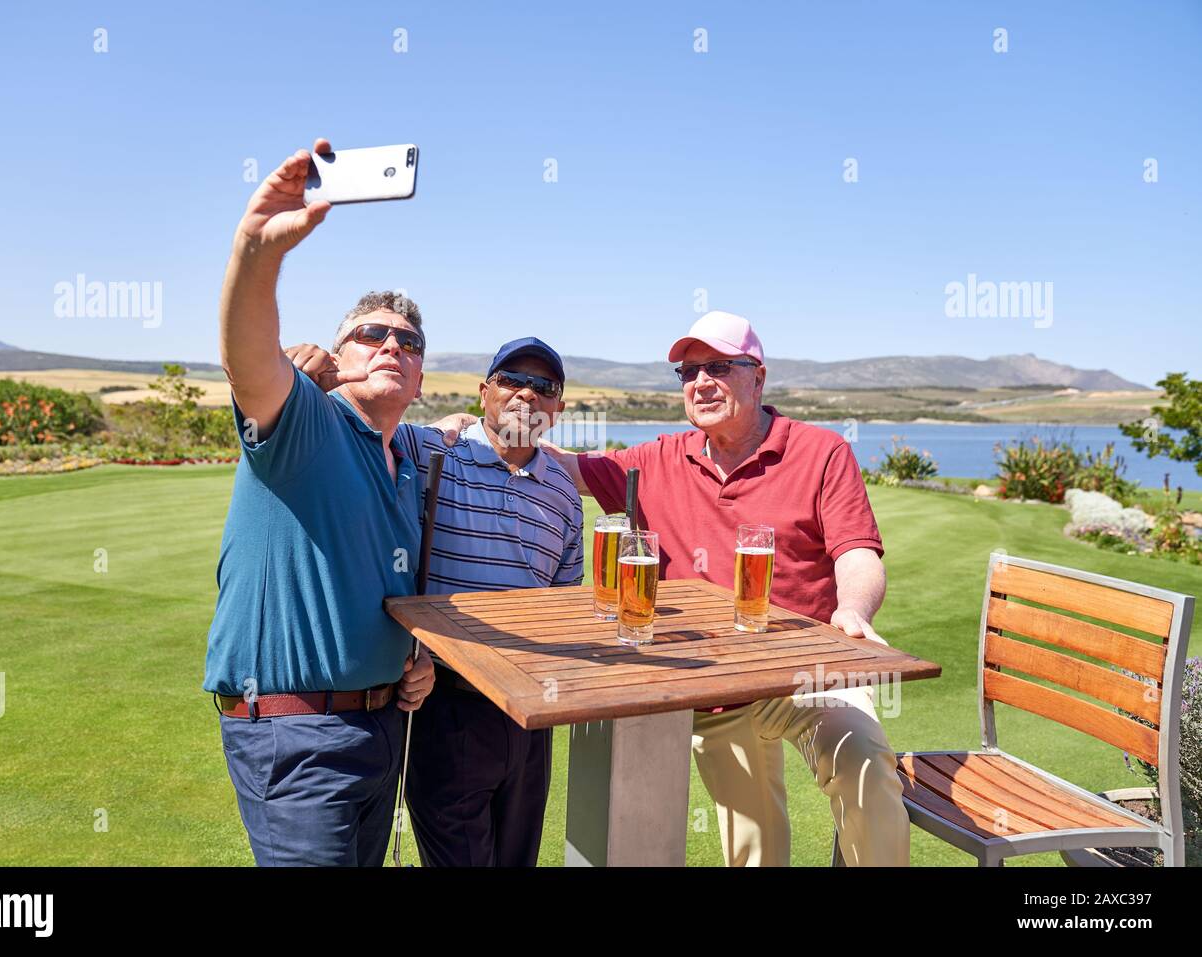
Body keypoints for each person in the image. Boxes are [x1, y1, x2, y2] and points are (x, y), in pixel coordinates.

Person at [436, 310, 910, 867]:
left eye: (718, 368)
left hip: (808, 674)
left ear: (758, 377)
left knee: (862, 764)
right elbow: (553, 461)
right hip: (714, 688)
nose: (701, 382)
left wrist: (853, 609)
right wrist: (469, 425)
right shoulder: (656, 460)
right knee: (754, 845)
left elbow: (857, 552)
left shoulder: (821, 451)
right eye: (688, 372)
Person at [203, 137, 436, 867]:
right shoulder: (304, 418)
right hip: (295, 738)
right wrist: (257, 251)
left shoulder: (409, 462)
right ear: (337, 356)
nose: (392, 345)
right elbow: (249, 359)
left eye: (409, 341)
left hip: (380, 728)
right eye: (371, 334)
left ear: (421, 379)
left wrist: (413, 658)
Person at [285, 336, 584, 866]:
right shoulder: (428, 451)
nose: (527, 394)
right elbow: (354, 428)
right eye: (512, 380)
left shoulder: (563, 492)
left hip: (529, 713)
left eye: (544, 386)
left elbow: (562, 608)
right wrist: (310, 384)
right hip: (445, 704)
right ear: (484, 392)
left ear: (557, 408)